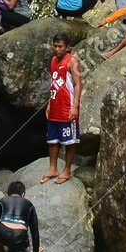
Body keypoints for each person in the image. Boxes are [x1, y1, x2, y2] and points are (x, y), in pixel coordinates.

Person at [40, 33, 81, 183]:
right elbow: (54, 82)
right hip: (55, 106)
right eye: (55, 46)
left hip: (67, 108)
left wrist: (75, 107)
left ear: (67, 47)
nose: (57, 49)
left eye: (60, 46)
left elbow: (77, 84)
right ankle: (53, 168)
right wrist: (50, 103)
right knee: (52, 140)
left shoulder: (72, 61)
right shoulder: (53, 61)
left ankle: (67, 170)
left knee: (69, 142)